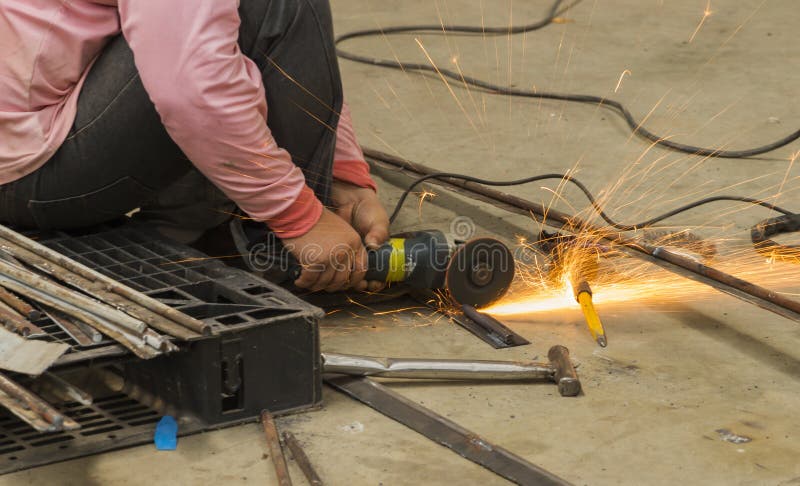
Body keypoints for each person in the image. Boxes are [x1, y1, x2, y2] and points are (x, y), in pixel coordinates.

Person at [0, 0, 390, 293]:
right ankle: (272, 253)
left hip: (25, 138)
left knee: (204, 28)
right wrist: (299, 217)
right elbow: (192, 91)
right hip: (28, 173)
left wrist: (344, 173)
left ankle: (197, 227)